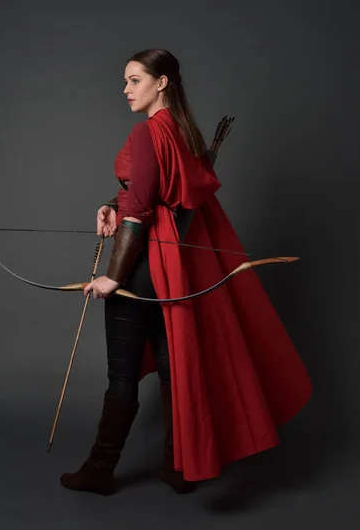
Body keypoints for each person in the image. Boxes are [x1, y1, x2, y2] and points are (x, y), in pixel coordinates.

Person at [60, 48, 312, 496]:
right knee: (173, 368)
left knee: (121, 376)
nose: (125, 89)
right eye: (126, 80)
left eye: (134, 80)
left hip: (138, 270)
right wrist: (112, 203)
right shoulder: (183, 134)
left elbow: (139, 215)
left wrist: (113, 278)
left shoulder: (146, 133)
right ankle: (180, 466)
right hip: (172, 273)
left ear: (161, 84)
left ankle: (99, 471)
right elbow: (152, 195)